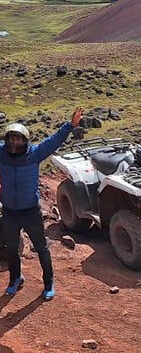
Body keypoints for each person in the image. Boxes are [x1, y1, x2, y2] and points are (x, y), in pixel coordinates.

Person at [0, 108, 83, 300]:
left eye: (18, 139)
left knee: (41, 247)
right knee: (11, 249)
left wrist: (70, 126)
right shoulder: (1, 153)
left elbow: (54, 141)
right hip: (10, 212)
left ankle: (48, 283)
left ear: (25, 140)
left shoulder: (35, 153)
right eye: (11, 138)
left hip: (31, 211)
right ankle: (15, 279)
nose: (14, 142)